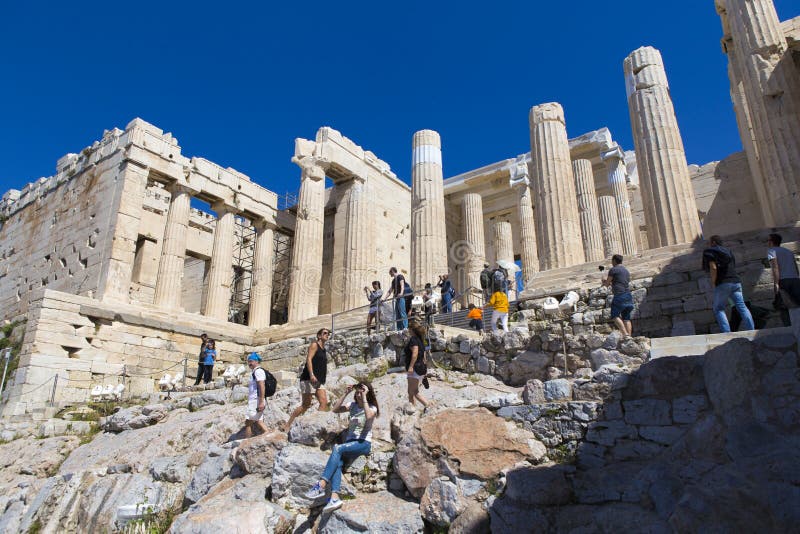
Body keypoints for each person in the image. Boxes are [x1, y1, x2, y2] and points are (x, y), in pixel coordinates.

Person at [303, 382, 379, 513]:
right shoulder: (352, 405)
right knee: (337, 462)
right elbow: (335, 409)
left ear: (367, 393)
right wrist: (345, 393)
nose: (359, 394)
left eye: (361, 392)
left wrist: (365, 397)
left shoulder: (372, 408)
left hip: (363, 443)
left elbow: (368, 416)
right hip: (350, 444)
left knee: (337, 448)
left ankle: (321, 484)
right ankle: (334, 498)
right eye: (357, 392)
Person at [703, 235, 754, 333]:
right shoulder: (728, 251)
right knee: (742, 307)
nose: (708, 244)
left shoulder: (710, 252)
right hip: (735, 281)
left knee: (718, 308)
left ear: (713, 242)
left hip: (723, 283)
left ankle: (726, 332)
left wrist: (713, 282)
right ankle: (751, 329)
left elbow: (713, 267)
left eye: (709, 242)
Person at [285, 328, 330, 430]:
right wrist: (311, 374)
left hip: (319, 381)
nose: (327, 335)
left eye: (328, 333)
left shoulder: (324, 349)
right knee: (306, 405)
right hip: (308, 379)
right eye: (325, 333)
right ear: (319, 336)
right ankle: (288, 424)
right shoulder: (314, 345)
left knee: (324, 402)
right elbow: (309, 359)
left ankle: (316, 424)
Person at [767, 233, 800, 325]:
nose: (767, 242)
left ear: (771, 242)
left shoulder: (771, 251)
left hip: (783, 280)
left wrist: (776, 283)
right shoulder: (788, 251)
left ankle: (789, 327)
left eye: (768, 240)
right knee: (797, 303)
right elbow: (796, 267)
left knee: (783, 305)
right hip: (795, 279)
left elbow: (775, 267)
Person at [602, 254, 634, 336]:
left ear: (614, 261)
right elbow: (621, 281)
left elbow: (606, 284)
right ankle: (629, 337)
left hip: (619, 295)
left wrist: (604, 281)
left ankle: (625, 334)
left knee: (614, 315)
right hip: (628, 295)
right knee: (626, 318)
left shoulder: (613, 270)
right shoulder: (626, 271)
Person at [404, 321, 431, 411]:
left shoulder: (413, 339)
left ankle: (428, 405)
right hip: (420, 368)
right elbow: (424, 356)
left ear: (412, 329)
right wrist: (425, 368)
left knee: (414, 392)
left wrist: (411, 366)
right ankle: (412, 409)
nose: (408, 330)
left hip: (414, 368)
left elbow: (415, 353)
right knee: (410, 392)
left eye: (409, 329)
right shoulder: (421, 340)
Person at [243, 352, 270, 438]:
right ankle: (268, 434)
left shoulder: (258, 371)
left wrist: (261, 402)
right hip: (256, 400)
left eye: (251, 361)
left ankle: (246, 442)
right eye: (248, 361)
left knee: (248, 422)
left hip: (256, 400)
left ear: (257, 361)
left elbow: (262, 386)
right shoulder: (255, 372)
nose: (249, 363)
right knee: (259, 421)